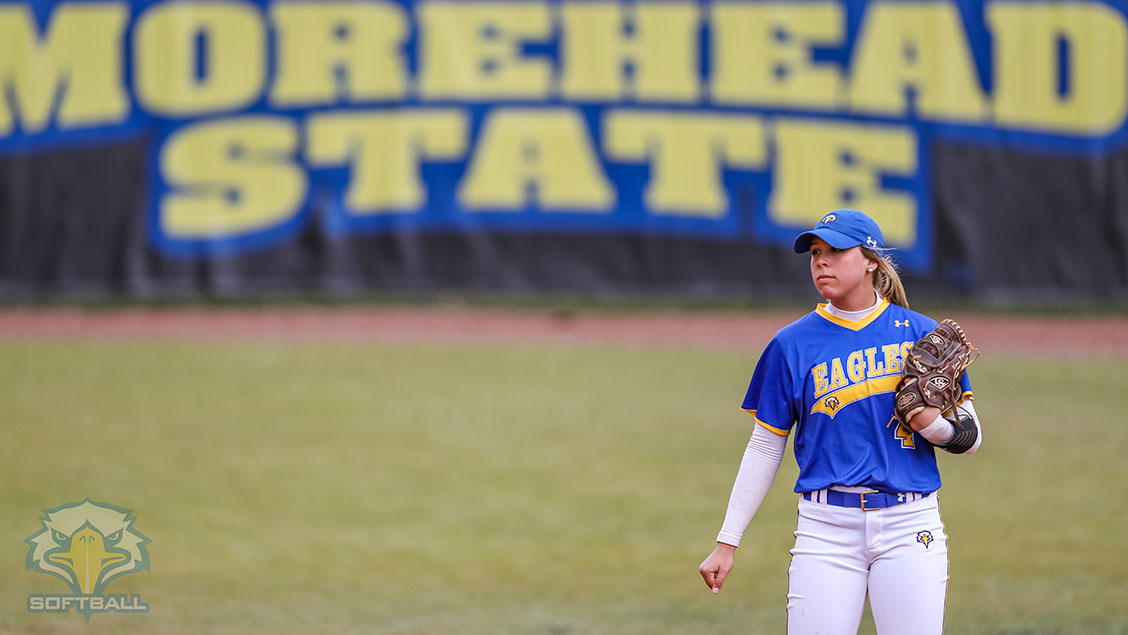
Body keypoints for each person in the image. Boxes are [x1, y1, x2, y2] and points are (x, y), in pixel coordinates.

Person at [697, 208, 983, 635]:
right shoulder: (791, 343)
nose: (821, 262)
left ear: (871, 260)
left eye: (835, 251)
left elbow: (970, 437)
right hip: (825, 529)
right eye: (815, 252)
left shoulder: (921, 335)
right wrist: (727, 540)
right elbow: (765, 445)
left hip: (911, 524)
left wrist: (930, 424)